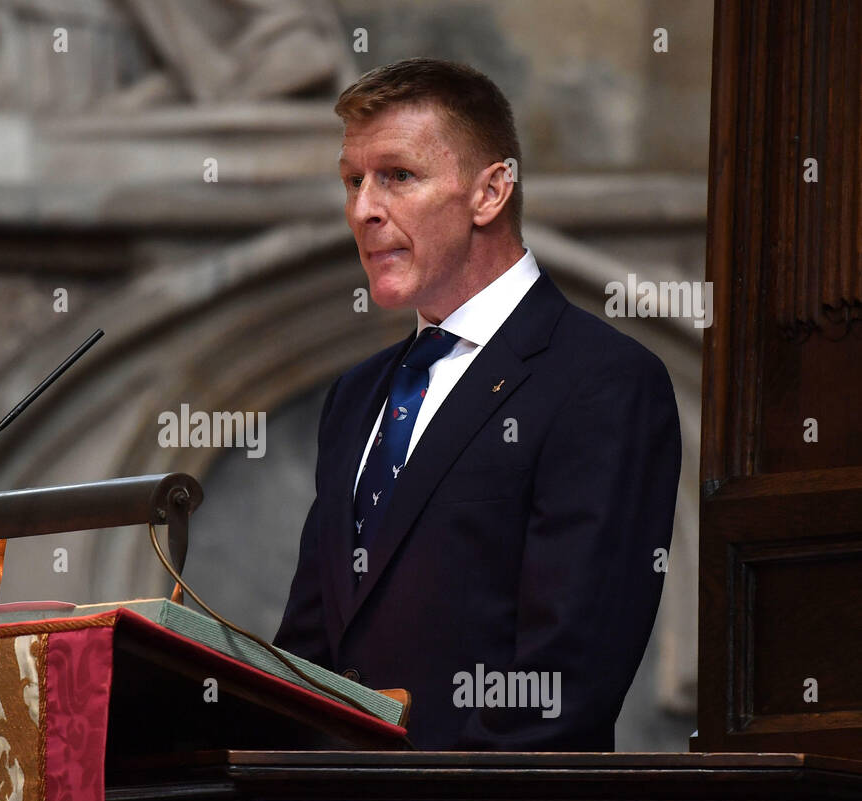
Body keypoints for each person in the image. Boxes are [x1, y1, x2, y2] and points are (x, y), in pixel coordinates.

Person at [274, 58, 682, 751]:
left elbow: (563, 681)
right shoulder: (356, 395)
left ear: (490, 192)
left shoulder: (602, 380)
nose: (364, 209)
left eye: (398, 176)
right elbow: (310, 654)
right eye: (353, 181)